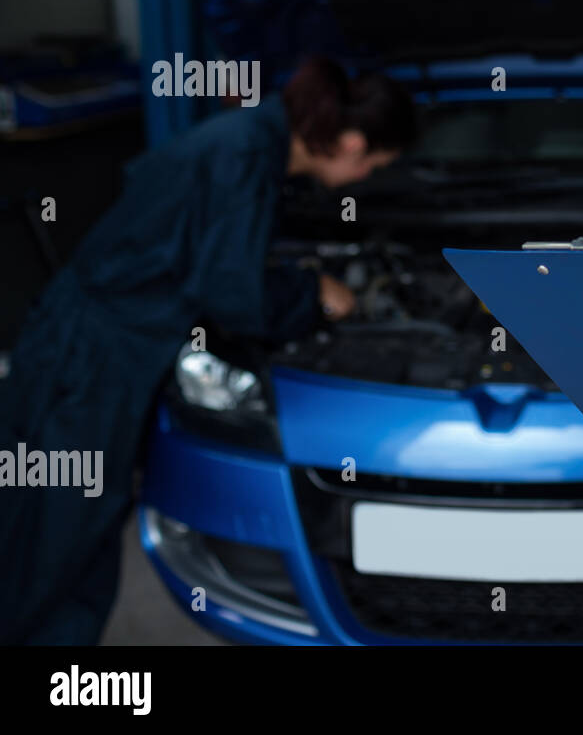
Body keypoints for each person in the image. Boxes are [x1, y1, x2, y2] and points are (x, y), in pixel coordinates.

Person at [0, 56, 414, 644]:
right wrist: (311, 292)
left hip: (106, 346)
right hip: (90, 359)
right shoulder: (246, 154)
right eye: (376, 163)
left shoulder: (251, 142)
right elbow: (232, 296)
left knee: (83, 525)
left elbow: (213, 257)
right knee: (55, 532)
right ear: (350, 144)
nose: (368, 178)